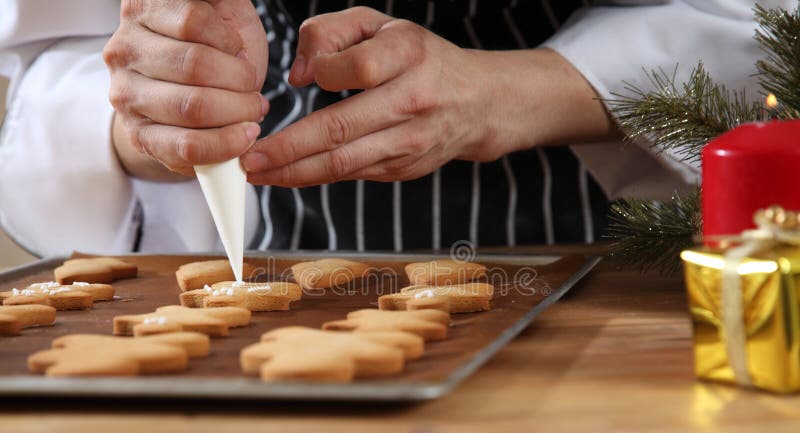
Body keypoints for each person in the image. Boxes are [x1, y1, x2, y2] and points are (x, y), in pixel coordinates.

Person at [0, 0, 788, 257]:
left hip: (598, 267)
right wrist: (153, 118)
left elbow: (774, 28)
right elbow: (53, 50)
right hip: (250, 300)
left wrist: (525, 90)